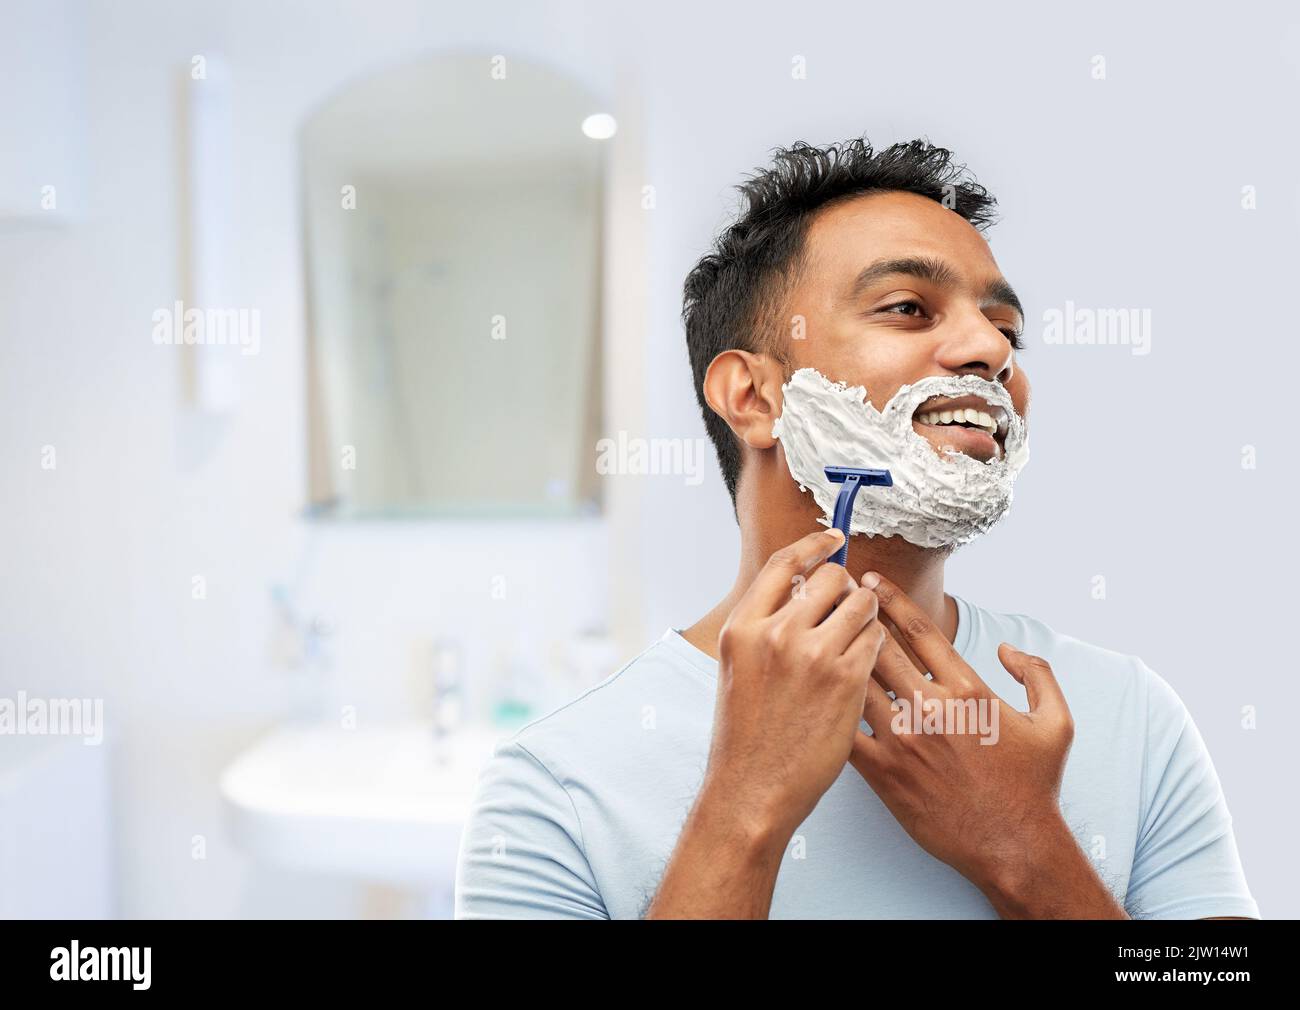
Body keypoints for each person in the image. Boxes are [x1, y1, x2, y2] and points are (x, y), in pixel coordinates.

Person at [454, 138, 1258, 919]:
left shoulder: (1126, 714)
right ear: (754, 398)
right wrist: (746, 803)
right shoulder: (556, 786)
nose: (991, 350)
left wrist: (1026, 848)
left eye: (1007, 330)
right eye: (908, 308)